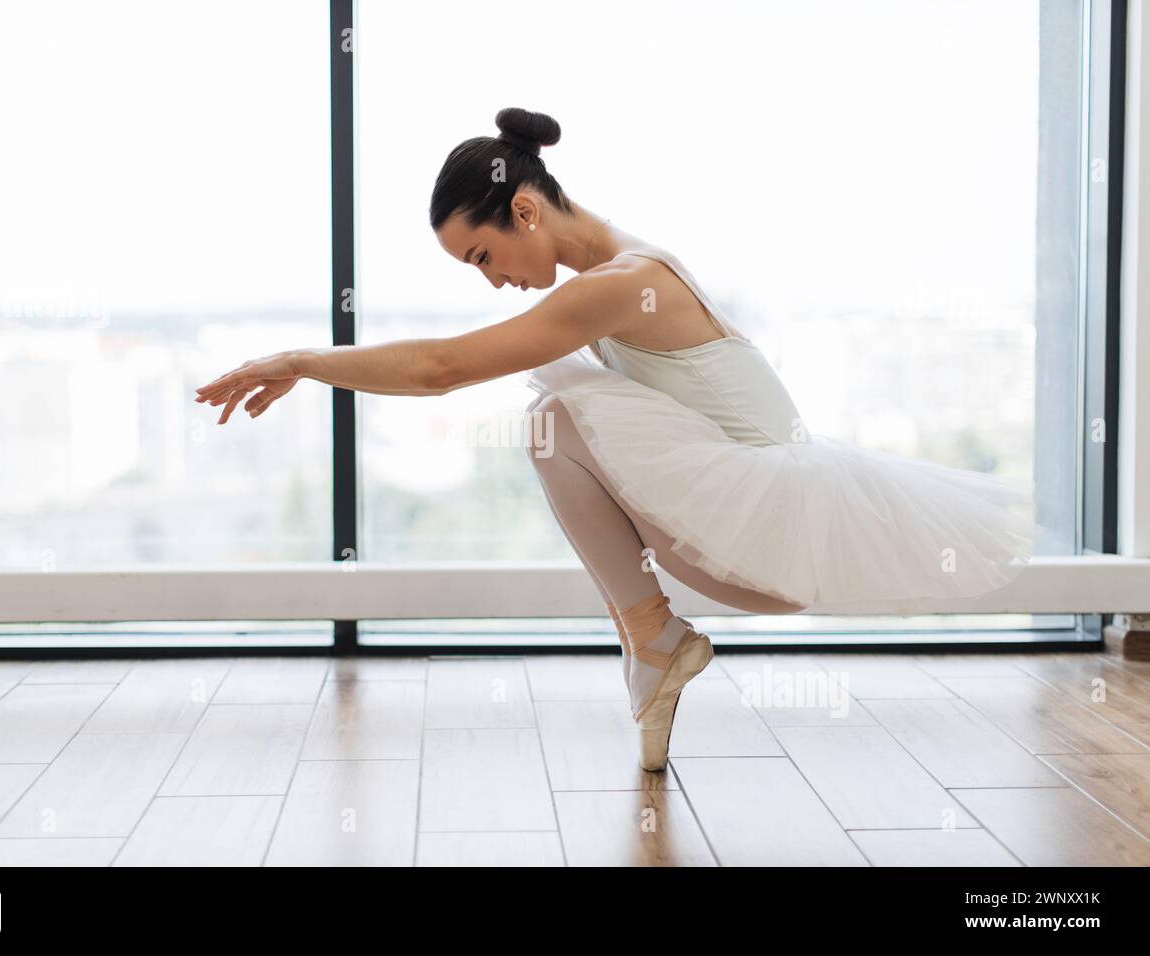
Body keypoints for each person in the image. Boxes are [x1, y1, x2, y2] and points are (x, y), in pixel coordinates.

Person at [194, 107, 1044, 772]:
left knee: (552, 413)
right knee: (563, 410)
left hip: (772, 524)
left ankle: (655, 638)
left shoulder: (621, 285)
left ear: (525, 209)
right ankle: (650, 650)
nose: (492, 281)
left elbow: (442, 369)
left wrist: (303, 359)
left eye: (484, 255)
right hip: (758, 510)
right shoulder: (625, 265)